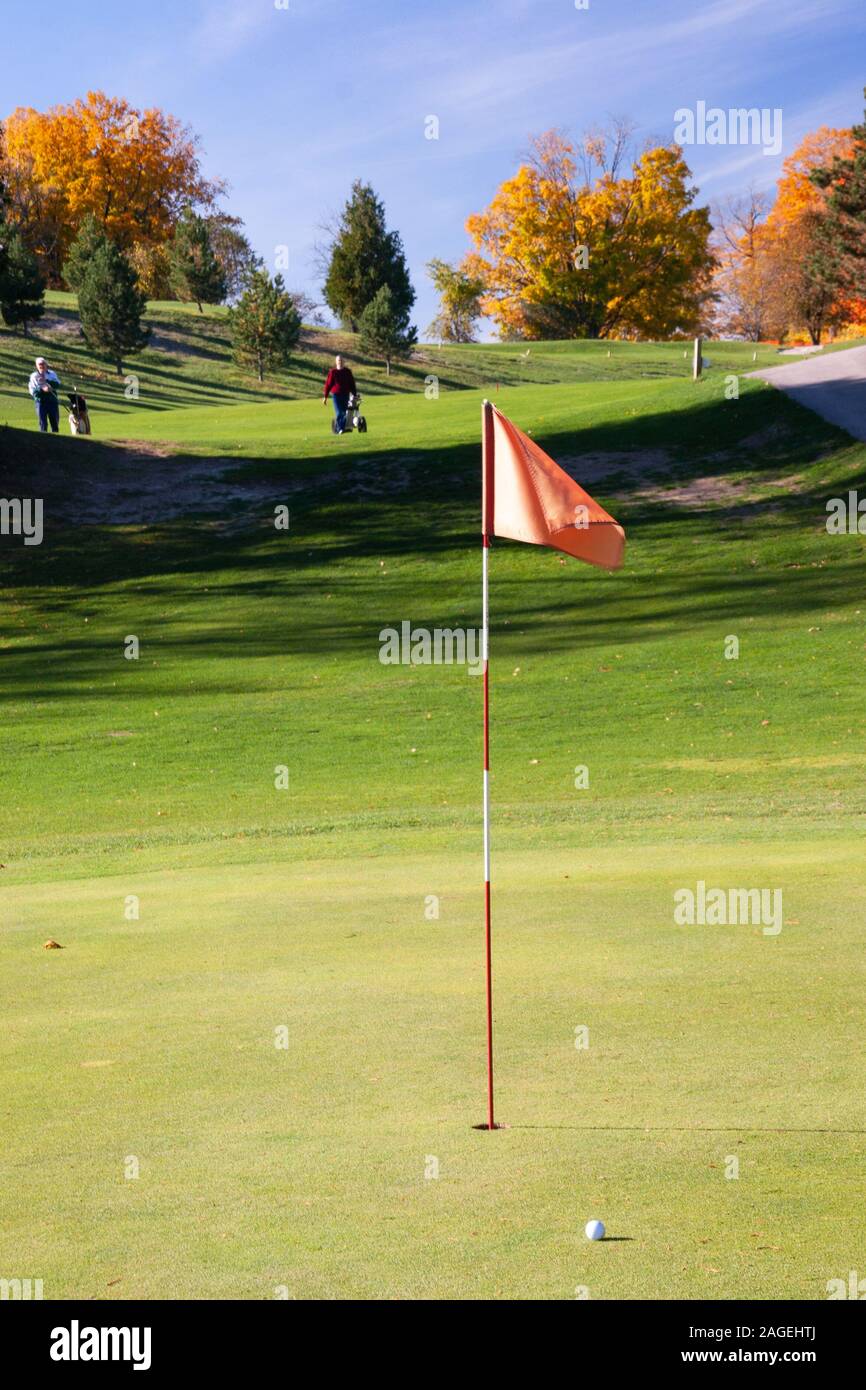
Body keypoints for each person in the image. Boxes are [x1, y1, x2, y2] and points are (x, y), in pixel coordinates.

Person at [321, 354, 357, 434]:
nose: (340, 362)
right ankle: (340, 429)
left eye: (341, 360)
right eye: (338, 360)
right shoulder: (333, 372)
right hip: (336, 396)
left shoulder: (347, 372)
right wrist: (325, 397)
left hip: (345, 395)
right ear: (336, 362)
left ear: (343, 362)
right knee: (339, 412)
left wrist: (354, 394)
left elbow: (352, 384)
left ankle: (341, 428)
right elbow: (328, 384)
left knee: (345, 412)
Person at [29, 356, 61, 433]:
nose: (41, 366)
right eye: (39, 364)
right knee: (43, 423)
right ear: (36, 366)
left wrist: (48, 384)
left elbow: (57, 384)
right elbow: (33, 391)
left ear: (46, 364)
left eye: (43, 364)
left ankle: (56, 440)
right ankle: (43, 440)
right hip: (41, 402)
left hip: (52, 401)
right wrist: (42, 389)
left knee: (54, 422)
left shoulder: (52, 374)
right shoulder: (34, 376)